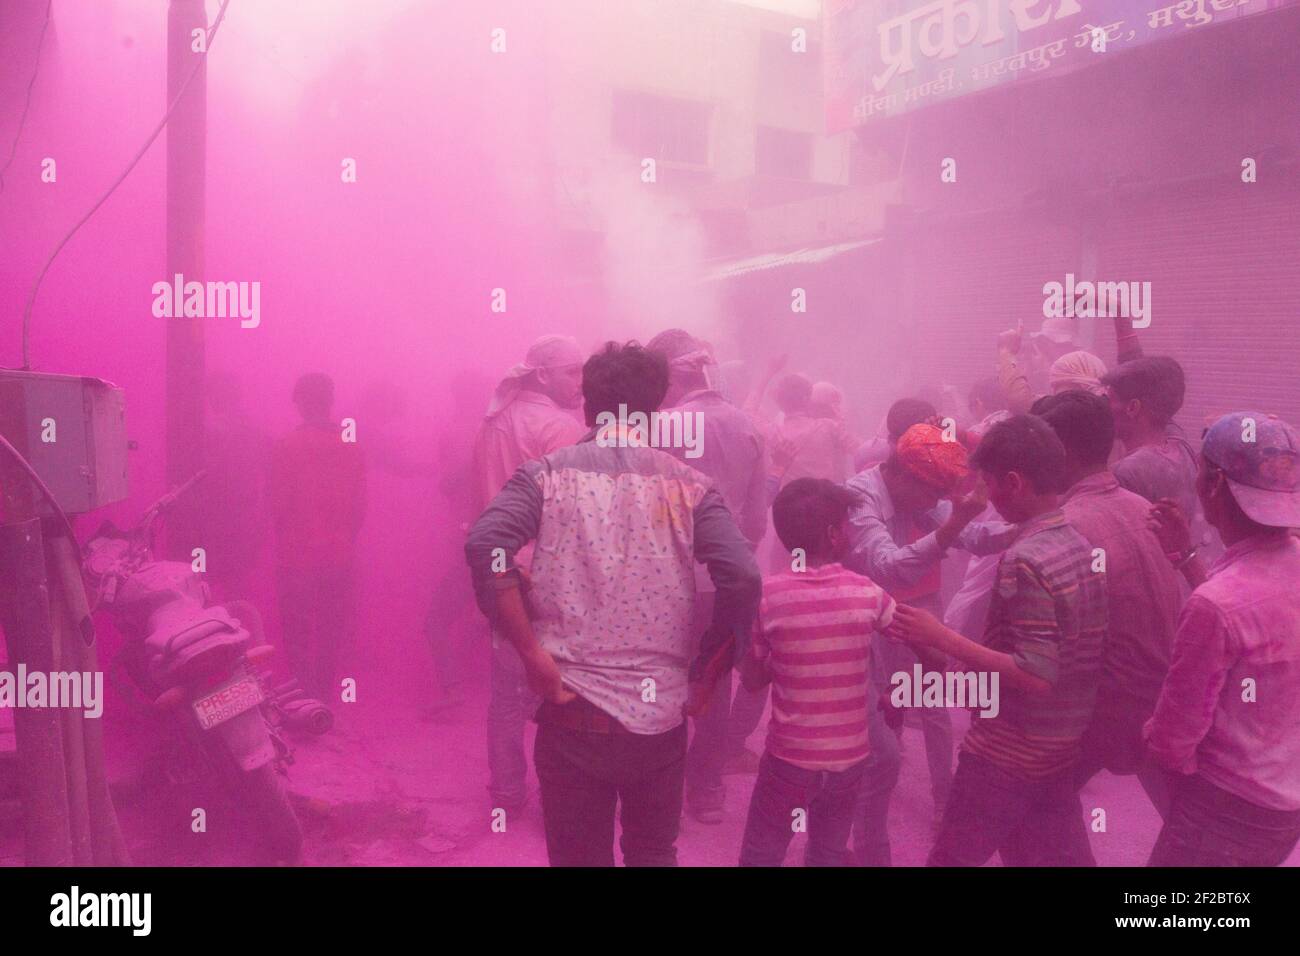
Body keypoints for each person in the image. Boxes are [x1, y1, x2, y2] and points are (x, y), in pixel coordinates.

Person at [464, 342, 761, 867]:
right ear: (654, 411)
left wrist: (530, 651)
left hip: (570, 716)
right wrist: (711, 669)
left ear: (586, 406)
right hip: (660, 726)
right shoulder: (690, 486)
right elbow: (740, 573)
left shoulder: (546, 476)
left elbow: (486, 544)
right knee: (651, 855)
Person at [886, 415, 1107, 867]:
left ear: (1013, 482)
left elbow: (1035, 672)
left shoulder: (1024, 560)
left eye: (987, 484)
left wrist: (941, 637)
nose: (981, 498)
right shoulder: (1078, 544)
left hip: (1003, 756)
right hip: (1058, 746)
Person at [845, 422, 1015, 864]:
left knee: (895, 732)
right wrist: (956, 519)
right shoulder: (860, 498)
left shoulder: (919, 496)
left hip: (903, 618)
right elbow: (887, 568)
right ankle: (859, 849)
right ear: (901, 474)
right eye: (932, 495)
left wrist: (1027, 526)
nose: (936, 505)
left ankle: (859, 842)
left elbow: (973, 538)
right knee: (874, 752)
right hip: (855, 631)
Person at [1032, 391, 1183, 861]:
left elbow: (1048, 656)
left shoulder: (1062, 529)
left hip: (1107, 710)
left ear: (1061, 453)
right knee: (1187, 822)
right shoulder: (1144, 508)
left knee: (1035, 802)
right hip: (1166, 699)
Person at [1144, 412, 1300, 867]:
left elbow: (1174, 741)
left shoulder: (1214, 605)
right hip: (1284, 808)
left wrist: (1148, 736)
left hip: (1222, 810)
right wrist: (1188, 558)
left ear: (1211, 486)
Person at [736, 478, 896, 866]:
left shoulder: (769, 597)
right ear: (833, 536)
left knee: (764, 850)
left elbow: (754, 680)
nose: (851, 531)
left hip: (789, 762)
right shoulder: (868, 593)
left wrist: (783, 655)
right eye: (846, 524)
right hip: (849, 762)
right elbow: (907, 632)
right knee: (827, 851)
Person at [647, 329, 769, 821]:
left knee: (662, 682)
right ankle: (706, 790)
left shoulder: (661, 426)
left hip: (671, 583)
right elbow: (758, 519)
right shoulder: (749, 426)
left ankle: (658, 789)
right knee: (713, 684)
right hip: (729, 582)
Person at [471, 334, 587, 815]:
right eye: (572, 372)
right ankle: (558, 803)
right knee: (558, 692)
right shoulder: (560, 426)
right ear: (542, 374)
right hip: (547, 575)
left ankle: (507, 793)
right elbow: (575, 512)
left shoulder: (493, 421)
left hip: (501, 573)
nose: (581, 383)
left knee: (506, 694)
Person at [268, 372, 367, 702]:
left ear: (300, 402)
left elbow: (277, 504)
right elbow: (360, 506)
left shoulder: (286, 446)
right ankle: (322, 697)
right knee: (329, 629)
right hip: (339, 555)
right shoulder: (351, 446)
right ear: (330, 402)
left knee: (297, 630)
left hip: (296, 555)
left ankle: (301, 697)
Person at [1101, 356, 1199, 524]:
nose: (1103, 408)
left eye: (1108, 400)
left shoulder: (1126, 472)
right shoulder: (1182, 445)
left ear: (1132, 407)